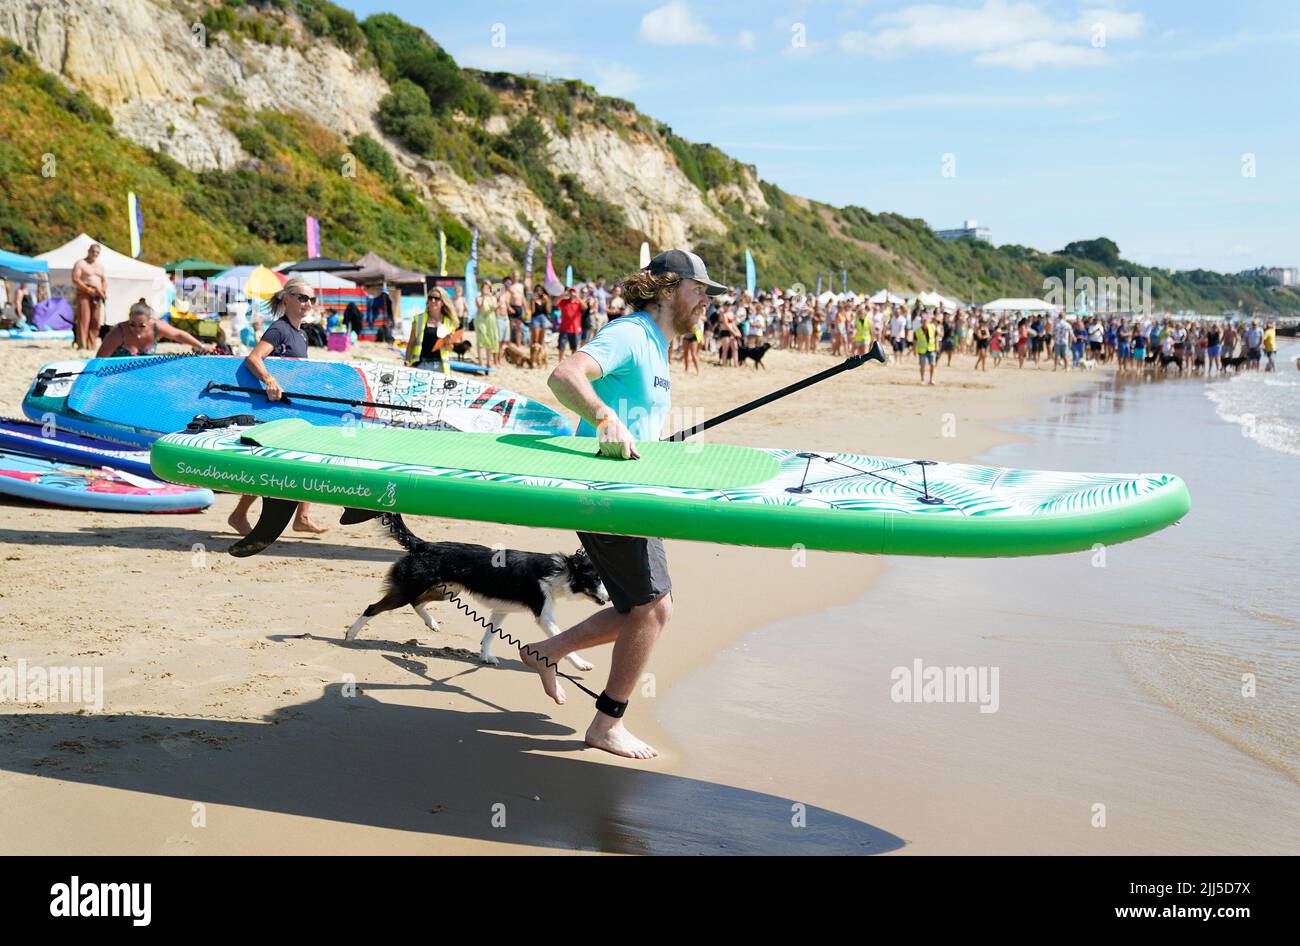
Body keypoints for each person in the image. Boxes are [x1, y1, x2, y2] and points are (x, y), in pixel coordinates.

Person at [529, 249, 724, 760]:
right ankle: (606, 724)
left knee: (638, 610)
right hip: (604, 495)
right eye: (700, 290)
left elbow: (635, 418)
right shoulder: (631, 333)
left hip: (630, 492)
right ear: (669, 288)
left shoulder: (657, 345)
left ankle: (547, 652)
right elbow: (564, 375)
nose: (706, 300)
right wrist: (604, 419)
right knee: (654, 609)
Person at [227, 276, 328, 539]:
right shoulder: (279, 329)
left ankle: (302, 516)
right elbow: (254, 358)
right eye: (302, 297)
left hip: (293, 407)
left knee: (308, 457)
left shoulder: (302, 334)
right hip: (275, 410)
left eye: (311, 299)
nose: (308, 303)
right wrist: (269, 380)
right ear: (286, 298)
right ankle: (239, 515)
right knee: (269, 464)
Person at [95, 298, 215, 357]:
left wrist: (201, 346)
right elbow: (99, 359)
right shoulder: (118, 331)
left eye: (142, 325)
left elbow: (179, 335)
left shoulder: (157, 327)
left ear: (150, 321)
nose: (136, 329)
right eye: (132, 324)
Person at [404, 287, 461, 372]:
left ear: (442, 302)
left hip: (440, 366)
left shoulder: (449, 323)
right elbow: (411, 343)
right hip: (420, 365)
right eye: (430, 298)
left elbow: (449, 349)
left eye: (436, 298)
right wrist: (406, 362)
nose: (433, 300)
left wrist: (447, 342)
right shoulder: (419, 319)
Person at [71, 243, 107, 350]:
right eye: (93, 251)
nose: (95, 254)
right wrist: (87, 289)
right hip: (85, 292)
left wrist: (103, 291)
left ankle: (91, 344)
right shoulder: (81, 263)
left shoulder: (100, 266)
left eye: (97, 252)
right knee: (84, 318)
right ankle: (82, 344)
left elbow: (103, 280)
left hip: (97, 294)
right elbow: (75, 279)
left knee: (95, 320)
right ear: (89, 251)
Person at [556, 286, 584, 360]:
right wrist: (563, 294)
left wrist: (578, 297)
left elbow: (585, 307)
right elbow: (555, 303)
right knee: (561, 346)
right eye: (571, 292)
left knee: (574, 347)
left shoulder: (578, 302)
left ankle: (572, 361)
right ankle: (560, 361)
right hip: (564, 328)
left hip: (575, 328)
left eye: (573, 291)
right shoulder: (564, 301)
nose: (572, 293)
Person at [914, 309, 938, 384]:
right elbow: (915, 341)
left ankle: (931, 379)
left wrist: (937, 346)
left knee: (932, 365)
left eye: (925, 320)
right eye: (923, 320)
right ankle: (922, 379)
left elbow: (936, 337)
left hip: (931, 349)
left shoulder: (932, 327)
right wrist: (914, 350)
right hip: (922, 351)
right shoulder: (917, 330)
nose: (924, 322)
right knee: (922, 366)